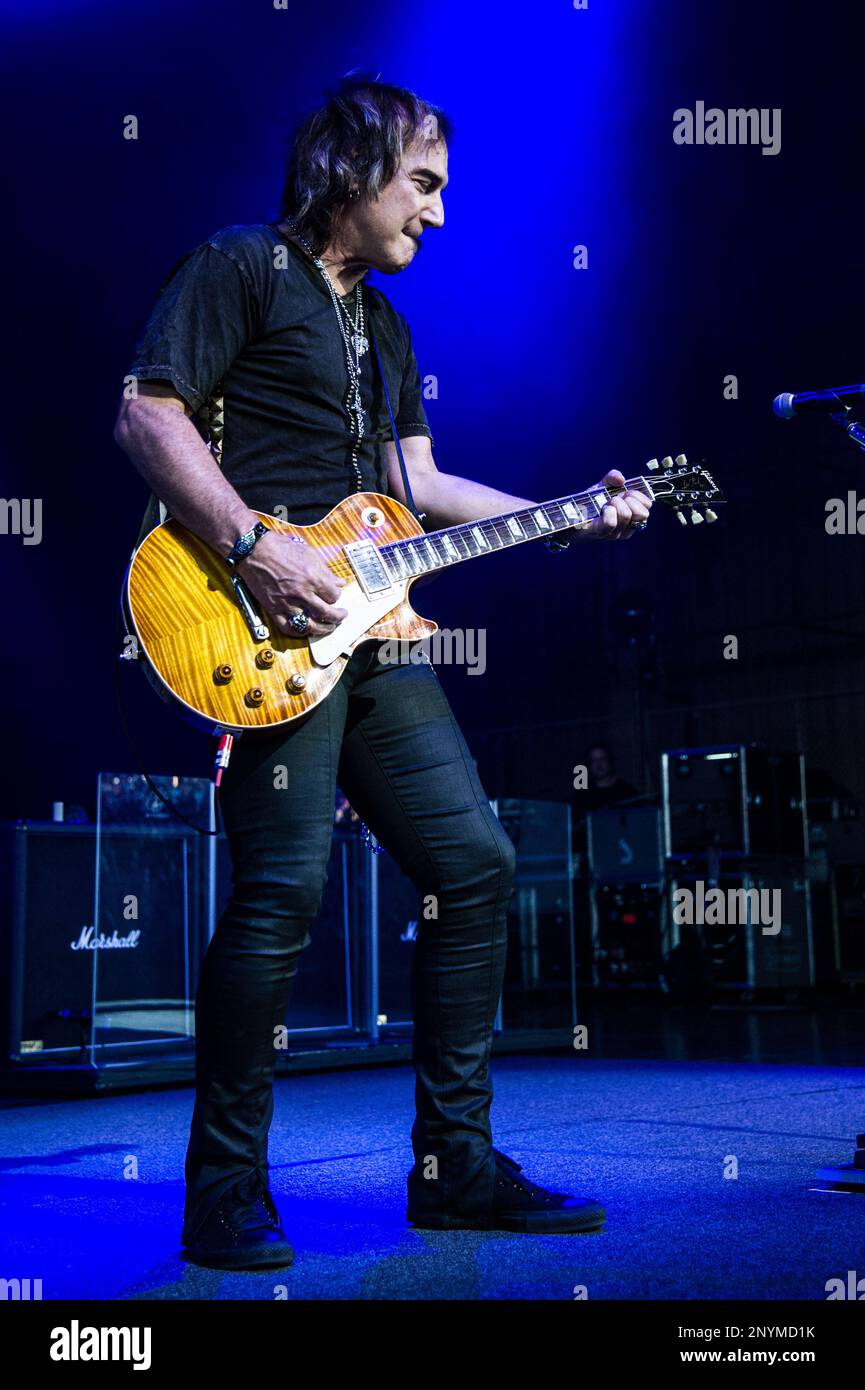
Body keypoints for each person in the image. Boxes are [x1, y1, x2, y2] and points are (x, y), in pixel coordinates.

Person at [114, 73, 653, 1270]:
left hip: (375, 634)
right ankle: (225, 1193)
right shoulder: (239, 266)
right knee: (281, 896)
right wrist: (257, 551)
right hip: (259, 625)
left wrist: (567, 513)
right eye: (423, 183)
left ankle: (453, 1169)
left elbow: (413, 490)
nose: (440, 214)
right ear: (352, 169)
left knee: (473, 863)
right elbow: (148, 420)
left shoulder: (390, 329)